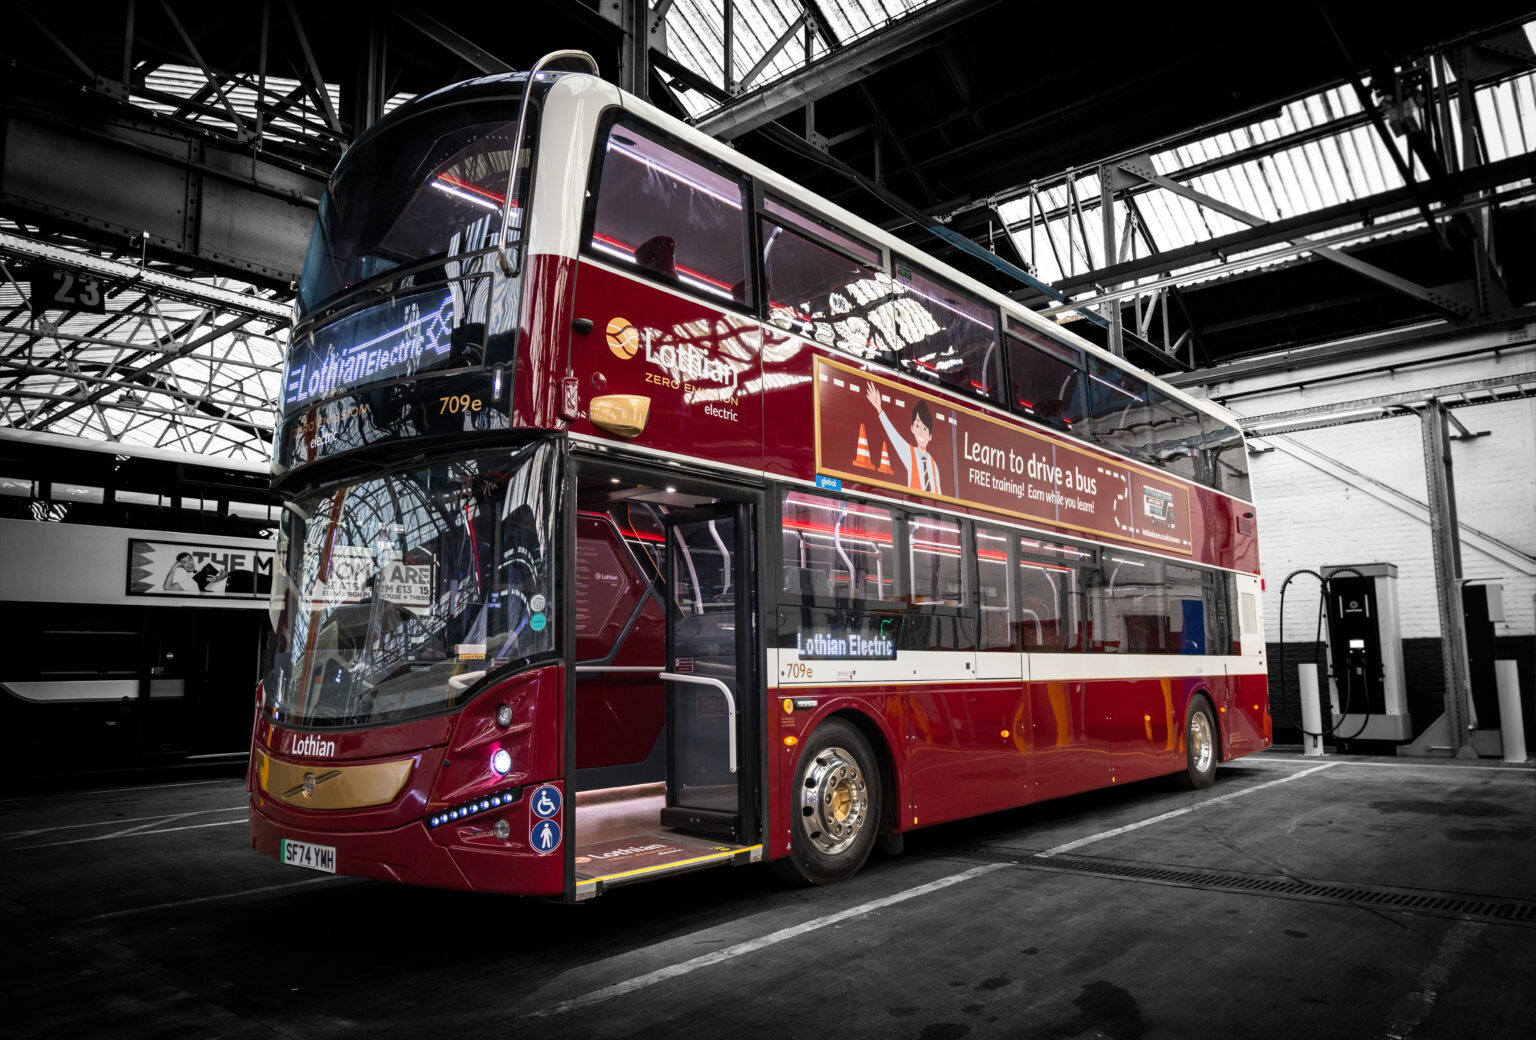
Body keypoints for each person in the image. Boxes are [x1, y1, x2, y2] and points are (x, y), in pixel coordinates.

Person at [866, 382, 942, 495]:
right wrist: (880, 410)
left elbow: (939, 495)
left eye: (925, 429)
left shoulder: (933, 464)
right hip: (913, 509)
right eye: (917, 426)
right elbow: (894, 436)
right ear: (912, 428)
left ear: (930, 436)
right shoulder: (910, 453)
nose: (921, 432)